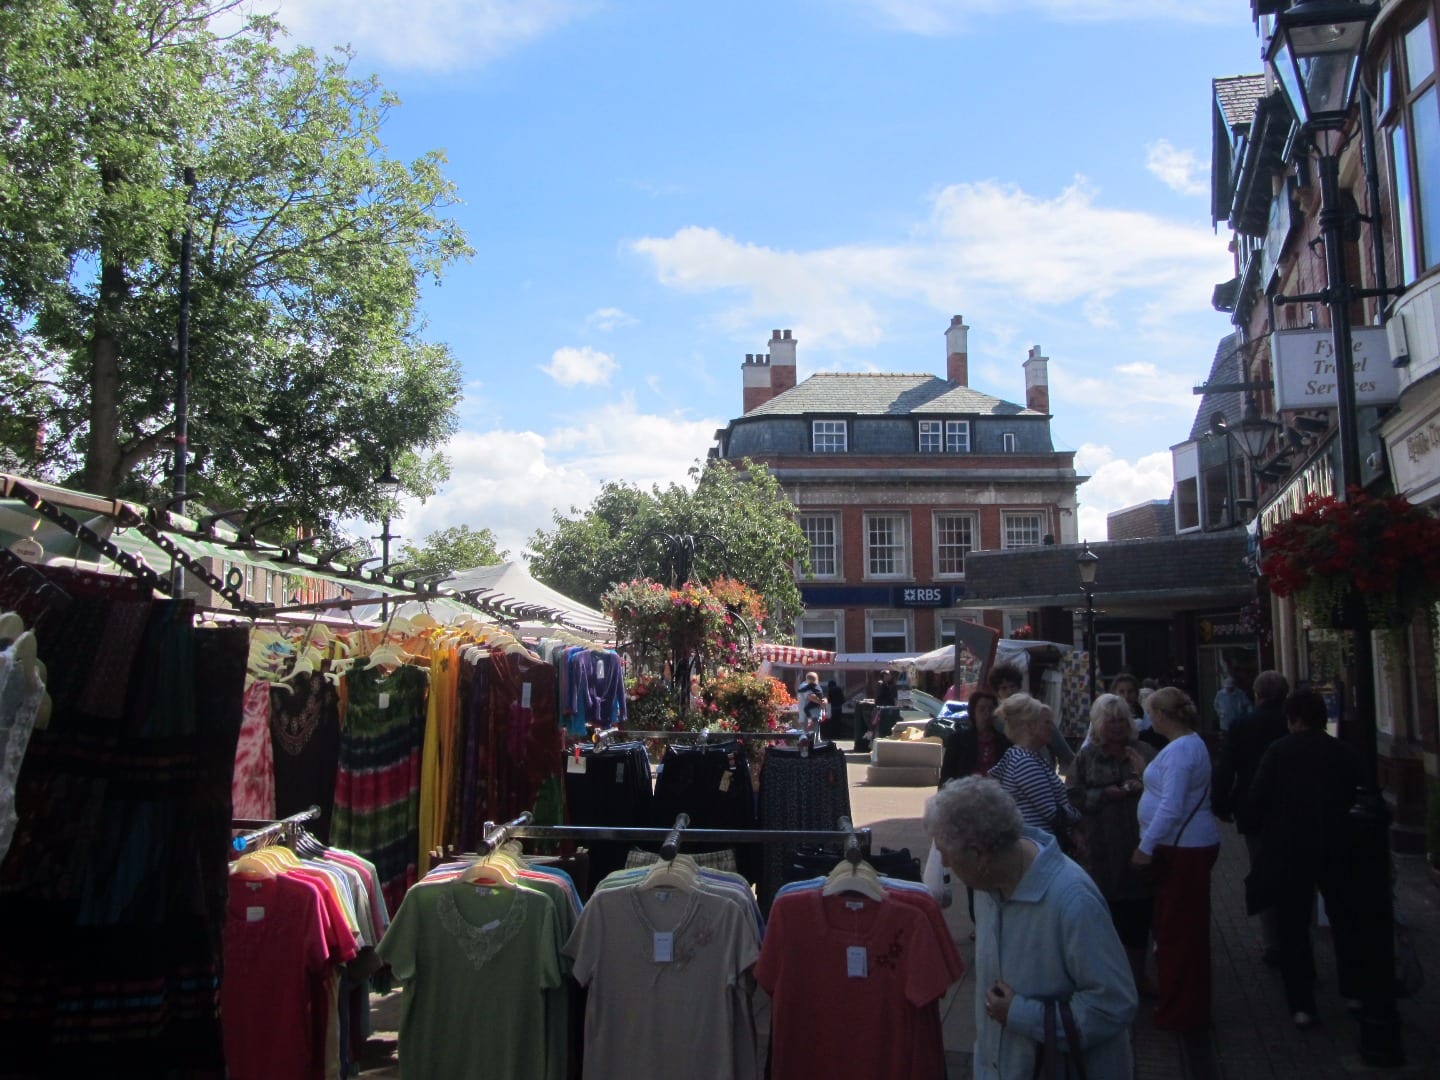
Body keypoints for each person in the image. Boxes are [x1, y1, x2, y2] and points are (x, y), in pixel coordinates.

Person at [924, 777, 1137, 1079]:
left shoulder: (1072, 900)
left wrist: (1020, 1014)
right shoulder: (988, 885)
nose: (944, 863)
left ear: (980, 855)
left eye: (947, 854)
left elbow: (1113, 1005)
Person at [1246, 689, 1363, 1029]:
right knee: (1345, 920)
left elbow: (1257, 799)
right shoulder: (1342, 752)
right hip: (1336, 847)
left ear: (1292, 719)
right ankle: (1354, 990)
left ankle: (1302, 1003)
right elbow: (1359, 793)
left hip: (1290, 849)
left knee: (1293, 927)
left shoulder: (1280, 752)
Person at [1130, 687, 1220, 1031]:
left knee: (1179, 932)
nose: (1150, 718)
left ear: (1162, 716)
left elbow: (1172, 805)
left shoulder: (1182, 751)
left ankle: (1182, 1011)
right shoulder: (1186, 746)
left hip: (1184, 850)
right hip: (1184, 847)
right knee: (1180, 930)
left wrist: (1146, 846)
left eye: (1152, 712)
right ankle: (1184, 1005)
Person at [1066, 693, 1157, 996]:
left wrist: (1143, 781)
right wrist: (1105, 794)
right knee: (1104, 917)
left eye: (1121, 720)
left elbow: (1166, 793)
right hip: (1101, 850)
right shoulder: (1087, 757)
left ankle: (1138, 978)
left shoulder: (1144, 752)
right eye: (1110, 721)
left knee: (1138, 917)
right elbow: (1072, 799)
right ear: (1098, 724)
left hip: (1138, 848)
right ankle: (1108, 981)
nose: (1116, 727)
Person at [1210, 668, 1289, 966]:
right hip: (1293, 809)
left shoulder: (1242, 725)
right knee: (1295, 869)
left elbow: (1226, 768)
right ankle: (1293, 929)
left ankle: (1273, 941)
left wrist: (1221, 805)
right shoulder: (1291, 723)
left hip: (1255, 808)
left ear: (1257, 695)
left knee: (1262, 868)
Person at [938, 689, 1014, 932]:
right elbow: (946, 777)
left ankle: (996, 916)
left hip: (996, 811)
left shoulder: (1004, 743)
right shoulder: (960, 740)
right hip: (967, 811)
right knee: (972, 864)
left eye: (990, 709)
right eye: (981, 709)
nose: (986, 714)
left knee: (996, 861)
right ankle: (978, 920)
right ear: (972, 712)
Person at [987, 694, 1079, 839]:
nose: (1052, 728)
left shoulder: (1022, 756)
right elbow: (1053, 813)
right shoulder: (1025, 762)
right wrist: (1077, 815)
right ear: (1030, 726)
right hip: (1038, 845)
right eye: (1047, 723)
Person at [1113, 673, 1166, 752]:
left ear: (1137, 693)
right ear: (1114, 694)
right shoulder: (1104, 717)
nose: (1126, 696)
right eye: (1121, 692)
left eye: (1130, 691)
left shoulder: (1149, 717)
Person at [1212, 676, 1251, 742]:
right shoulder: (1220, 694)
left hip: (1237, 719)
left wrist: (1248, 715)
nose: (1229, 689)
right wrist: (1220, 712)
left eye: (1230, 687)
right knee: (1225, 737)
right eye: (1227, 687)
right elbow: (1215, 704)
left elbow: (1248, 704)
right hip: (1225, 720)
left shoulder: (1240, 693)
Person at [796, 671, 826, 737]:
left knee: (811, 737)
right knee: (810, 738)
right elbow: (811, 697)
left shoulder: (809, 685)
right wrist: (822, 703)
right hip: (810, 717)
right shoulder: (806, 685)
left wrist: (823, 704)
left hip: (810, 716)